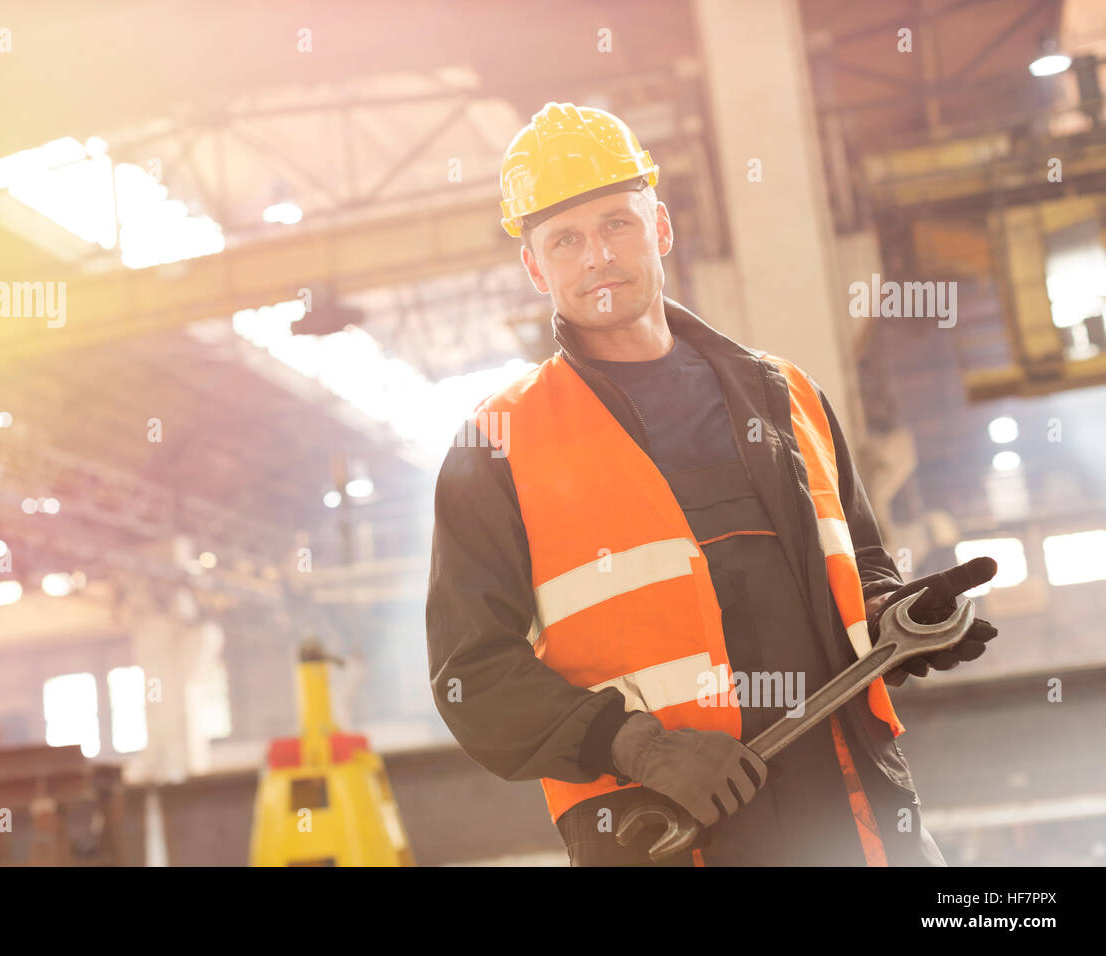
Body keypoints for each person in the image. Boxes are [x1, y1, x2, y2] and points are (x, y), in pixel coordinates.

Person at [425, 102, 999, 866]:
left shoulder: (786, 394)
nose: (598, 255)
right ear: (536, 268)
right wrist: (636, 746)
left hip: (853, 808)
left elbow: (856, 568)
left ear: (660, 229)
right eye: (566, 239)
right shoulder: (497, 446)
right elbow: (473, 673)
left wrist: (900, 616)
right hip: (669, 829)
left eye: (617, 223)